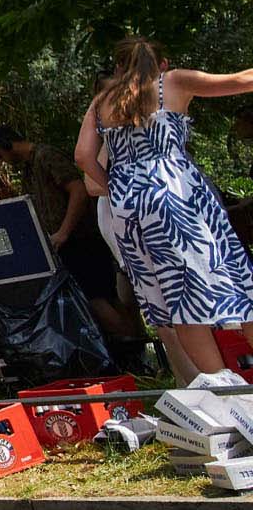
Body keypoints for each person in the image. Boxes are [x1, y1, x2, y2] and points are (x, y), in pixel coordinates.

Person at [77, 39, 253, 380]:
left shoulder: (101, 102)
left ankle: (223, 386)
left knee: (178, 298)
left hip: (131, 211)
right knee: (237, 280)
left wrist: (117, 186)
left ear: (118, 68)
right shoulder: (173, 81)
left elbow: (83, 157)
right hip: (178, 195)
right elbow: (243, 79)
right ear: (163, 64)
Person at [0, 123, 149, 371]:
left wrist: (63, 232)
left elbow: (78, 191)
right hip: (68, 245)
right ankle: (134, 357)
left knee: (97, 301)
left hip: (81, 240)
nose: (0, 160)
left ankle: (137, 358)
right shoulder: (29, 168)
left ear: (7, 144)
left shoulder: (46, 156)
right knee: (102, 299)